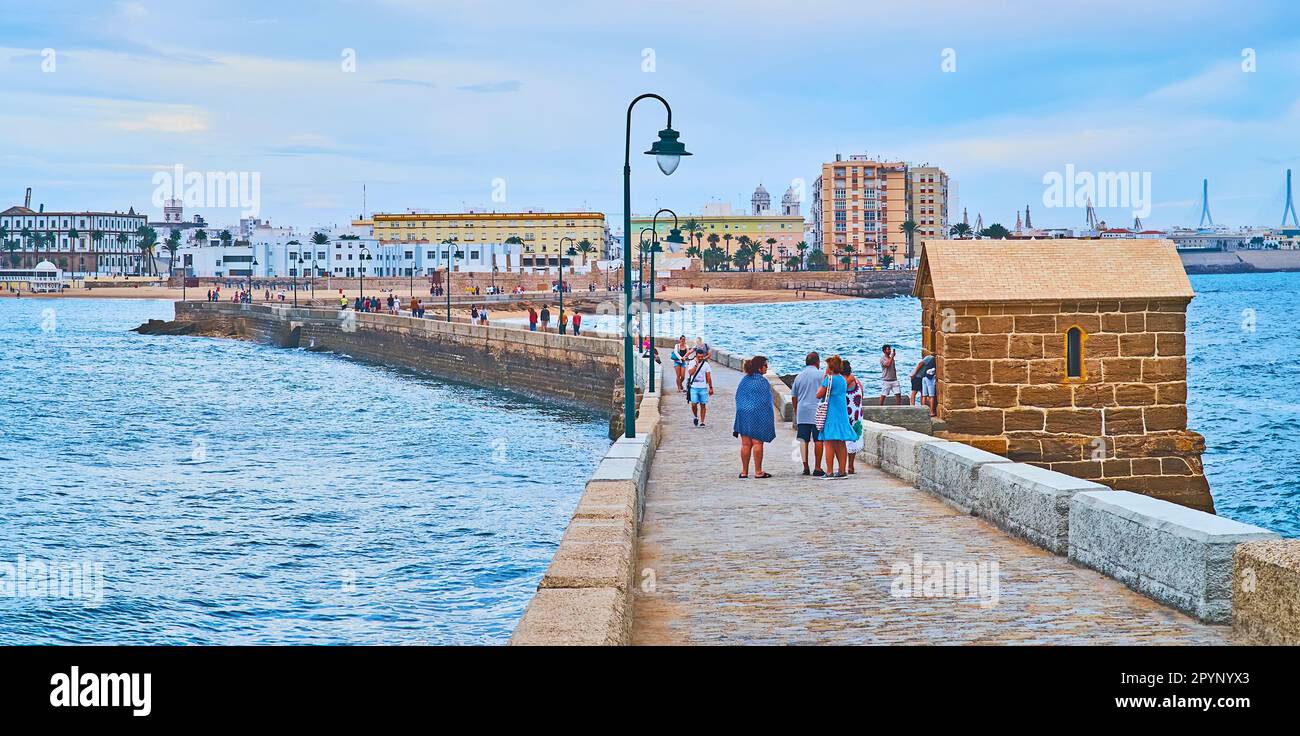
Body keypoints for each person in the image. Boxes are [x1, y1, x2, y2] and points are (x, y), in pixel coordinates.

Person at [733, 355, 776, 478]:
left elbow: (738, 396)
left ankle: (744, 472)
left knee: (745, 443)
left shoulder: (744, 380)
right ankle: (758, 471)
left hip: (743, 412)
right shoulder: (762, 382)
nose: (767, 368)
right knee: (757, 442)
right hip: (757, 413)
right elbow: (766, 401)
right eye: (765, 366)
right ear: (760, 368)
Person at [816, 355, 855, 479]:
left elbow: (818, 394)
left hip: (831, 415)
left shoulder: (829, 379)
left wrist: (824, 379)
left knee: (828, 443)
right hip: (842, 414)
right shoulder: (843, 380)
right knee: (841, 443)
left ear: (831, 367)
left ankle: (829, 471)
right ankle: (842, 471)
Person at [790, 351, 826, 476]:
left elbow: (794, 396)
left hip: (803, 411)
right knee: (818, 440)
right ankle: (817, 467)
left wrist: (796, 409)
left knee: (803, 440)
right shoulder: (822, 375)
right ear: (817, 362)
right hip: (818, 412)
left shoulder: (799, 376)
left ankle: (806, 467)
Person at [843, 360, 864, 474]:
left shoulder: (843, 382)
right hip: (857, 414)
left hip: (846, 414)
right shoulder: (857, 381)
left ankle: (843, 466)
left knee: (842, 441)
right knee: (853, 440)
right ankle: (850, 466)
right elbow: (862, 394)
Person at [686, 347, 713, 427]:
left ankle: (702, 421)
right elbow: (690, 373)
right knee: (694, 404)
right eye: (699, 357)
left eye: (702, 356)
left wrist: (711, 387)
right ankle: (695, 416)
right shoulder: (691, 363)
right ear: (696, 356)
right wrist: (696, 365)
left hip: (703, 387)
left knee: (703, 404)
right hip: (693, 387)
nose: (700, 358)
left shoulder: (706, 364)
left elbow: (708, 377)